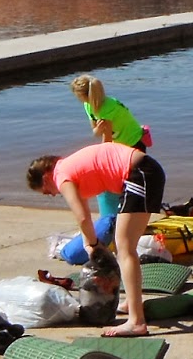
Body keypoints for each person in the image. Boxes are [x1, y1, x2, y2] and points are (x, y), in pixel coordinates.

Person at [27, 142, 167, 337]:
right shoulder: (70, 168)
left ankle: (136, 322)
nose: (52, 194)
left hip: (139, 173)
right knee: (126, 247)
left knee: (125, 249)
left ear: (45, 177)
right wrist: (90, 243)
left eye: (46, 191)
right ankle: (132, 304)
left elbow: (82, 218)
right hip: (145, 171)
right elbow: (84, 213)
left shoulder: (61, 176)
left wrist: (92, 244)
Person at [69, 74, 147, 150]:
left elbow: (107, 141)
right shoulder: (88, 105)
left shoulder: (107, 108)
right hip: (119, 142)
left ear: (82, 96)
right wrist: (98, 129)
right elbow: (96, 133)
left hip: (134, 141)